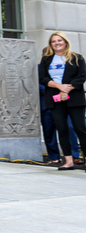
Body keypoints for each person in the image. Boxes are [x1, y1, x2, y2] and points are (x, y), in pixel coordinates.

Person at [38, 31, 86, 171]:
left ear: (65, 42)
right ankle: (68, 161)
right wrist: (59, 87)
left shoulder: (77, 58)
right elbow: (43, 78)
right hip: (55, 99)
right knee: (62, 129)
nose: (57, 43)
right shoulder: (47, 59)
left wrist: (67, 89)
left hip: (74, 98)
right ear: (50, 44)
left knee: (80, 128)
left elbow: (82, 76)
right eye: (53, 41)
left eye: (59, 40)